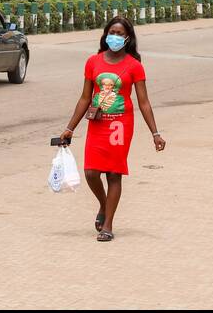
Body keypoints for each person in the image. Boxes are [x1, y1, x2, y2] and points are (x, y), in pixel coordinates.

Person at [59, 16, 165, 242]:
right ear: (105, 35)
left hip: (120, 125)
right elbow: (85, 98)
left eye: (119, 34)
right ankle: (104, 204)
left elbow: (143, 102)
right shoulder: (93, 62)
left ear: (127, 39)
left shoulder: (134, 66)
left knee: (114, 174)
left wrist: (155, 133)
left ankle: (108, 224)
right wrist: (70, 128)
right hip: (97, 124)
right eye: (112, 32)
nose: (114, 37)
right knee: (90, 172)